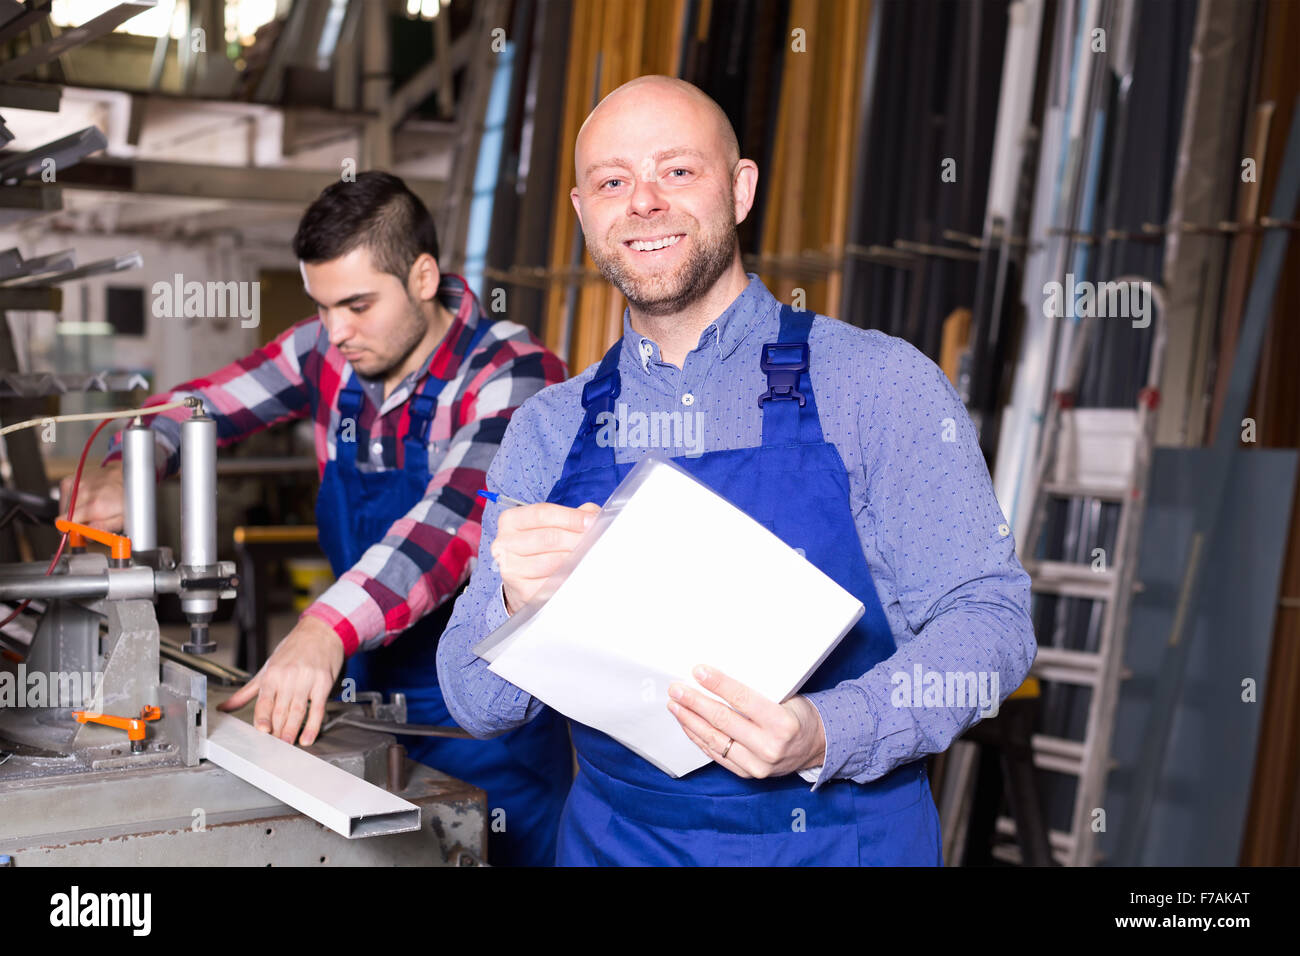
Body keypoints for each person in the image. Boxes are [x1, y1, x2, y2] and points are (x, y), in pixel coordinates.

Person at [436, 76, 1037, 866]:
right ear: (584, 213)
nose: (644, 201)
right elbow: (476, 706)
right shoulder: (550, 430)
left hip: (841, 842)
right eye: (614, 182)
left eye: (677, 171)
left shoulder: (876, 385)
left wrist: (829, 730)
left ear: (741, 188)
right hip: (618, 847)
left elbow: (992, 625)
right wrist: (515, 602)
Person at [66, 171, 574, 867]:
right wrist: (138, 459)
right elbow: (204, 405)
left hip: (486, 712)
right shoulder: (327, 352)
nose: (336, 332)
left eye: (357, 305)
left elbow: (445, 527)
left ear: (423, 276)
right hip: (363, 692)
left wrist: (322, 628)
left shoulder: (514, 375)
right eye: (323, 305)